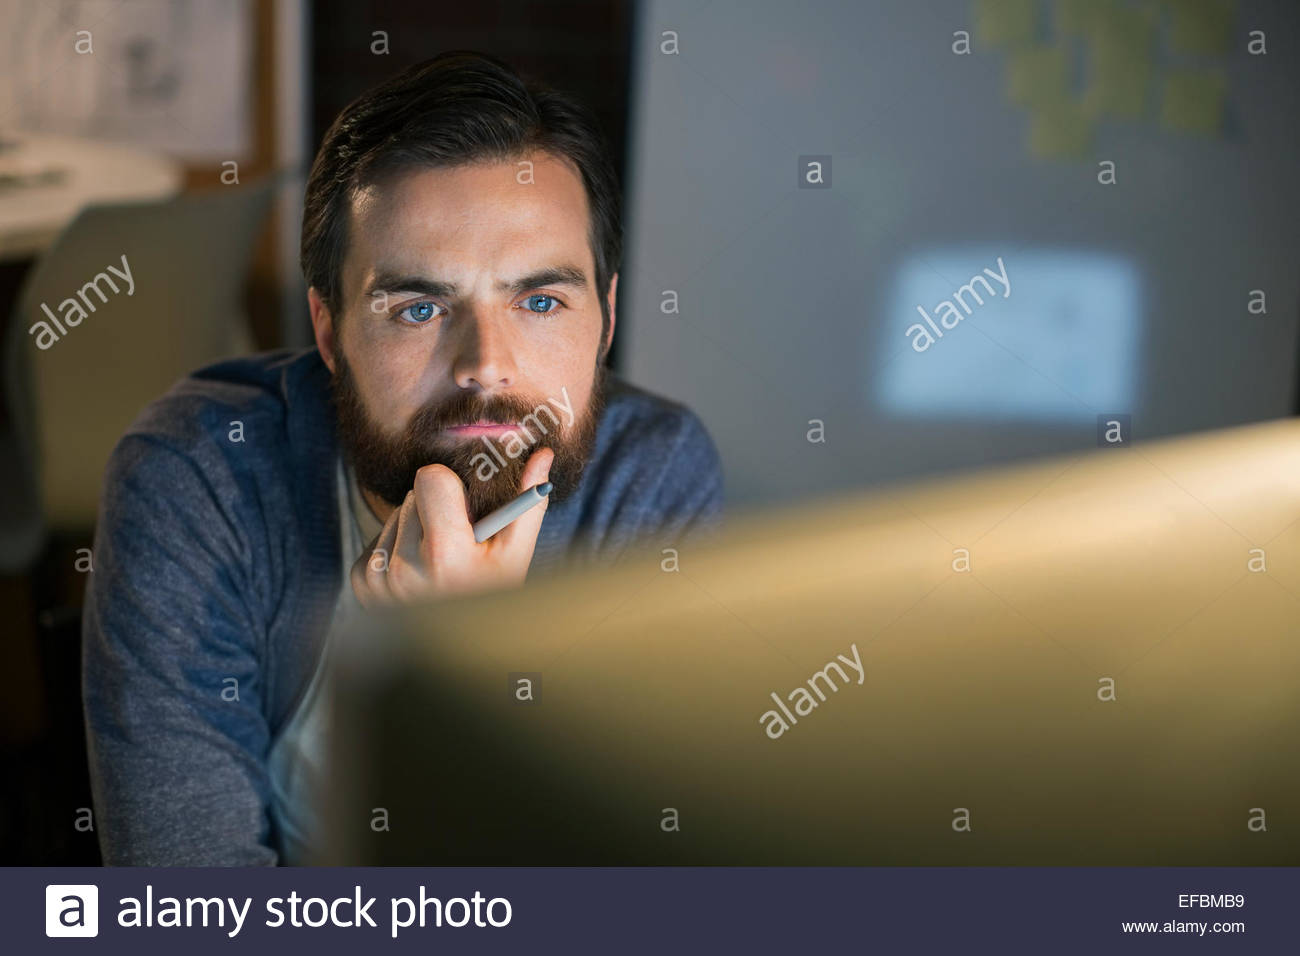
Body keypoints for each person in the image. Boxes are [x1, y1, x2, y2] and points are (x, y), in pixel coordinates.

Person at [82, 51, 724, 865]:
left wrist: (460, 669)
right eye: (419, 307)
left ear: (605, 318)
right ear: (328, 330)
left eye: (539, 301)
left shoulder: (651, 478)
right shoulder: (200, 480)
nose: (485, 364)